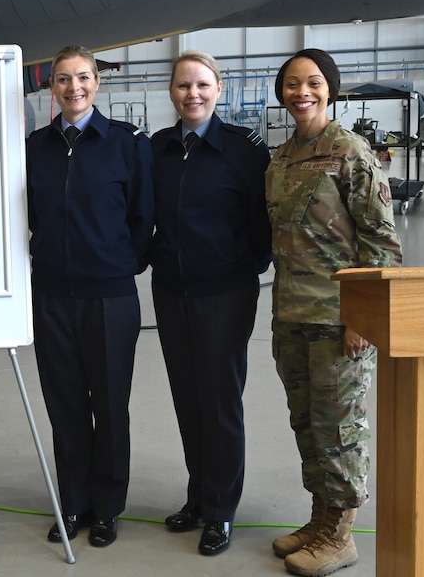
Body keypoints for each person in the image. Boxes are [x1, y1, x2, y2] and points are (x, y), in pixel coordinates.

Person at [265, 48, 401, 577]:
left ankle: (340, 536)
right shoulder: (280, 158)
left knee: (340, 430)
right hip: (291, 316)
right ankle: (320, 520)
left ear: (330, 89)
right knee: (309, 425)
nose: (302, 92)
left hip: (338, 319)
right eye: (293, 83)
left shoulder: (350, 152)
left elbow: (381, 242)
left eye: (314, 82)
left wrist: (363, 319)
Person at [25, 44, 154, 548]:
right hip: (52, 296)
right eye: (63, 78)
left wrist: (117, 264)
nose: (73, 87)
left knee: (110, 404)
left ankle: (108, 507)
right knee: (65, 407)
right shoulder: (35, 148)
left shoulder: (127, 145)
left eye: (82, 77)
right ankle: (73, 503)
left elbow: (143, 217)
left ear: (97, 83)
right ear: (52, 87)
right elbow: (29, 216)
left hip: (109, 297)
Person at [148, 51, 271, 556]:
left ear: (218, 88)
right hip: (171, 290)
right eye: (183, 86)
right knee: (188, 398)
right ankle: (199, 496)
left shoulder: (244, 150)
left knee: (219, 402)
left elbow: (262, 223)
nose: (192, 94)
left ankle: (221, 510)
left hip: (224, 292)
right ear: (171, 92)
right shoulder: (157, 148)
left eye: (202, 85)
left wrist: (240, 267)